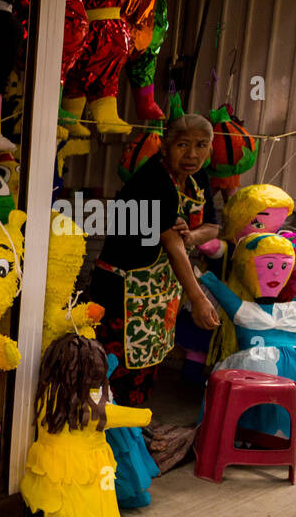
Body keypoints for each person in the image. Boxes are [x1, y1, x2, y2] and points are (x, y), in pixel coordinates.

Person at [88, 113, 222, 406]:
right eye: (183, 145)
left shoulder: (197, 178)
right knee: (110, 372)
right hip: (122, 292)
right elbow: (172, 243)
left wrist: (193, 236)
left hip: (158, 296)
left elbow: (212, 226)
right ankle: (108, 438)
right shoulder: (151, 181)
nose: (192, 154)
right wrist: (198, 298)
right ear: (164, 147)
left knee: (146, 368)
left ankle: (132, 430)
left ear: (210, 149)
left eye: (201, 146)